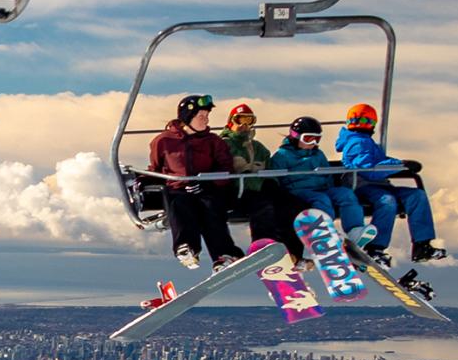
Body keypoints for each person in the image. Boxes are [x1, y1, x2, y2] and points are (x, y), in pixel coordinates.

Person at [336, 102, 446, 262]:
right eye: (357, 121)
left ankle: (422, 244)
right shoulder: (356, 142)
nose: (362, 125)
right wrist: (399, 165)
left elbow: (379, 163)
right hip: (362, 185)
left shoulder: (366, 142)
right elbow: (367, 170)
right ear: (350, 123)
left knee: (416, 195)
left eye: (367, 122)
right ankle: (376, 247)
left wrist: (402, 164)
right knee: (387, 201)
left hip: (380, 184)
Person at [147, 93, 244, 268]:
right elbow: (155, 168)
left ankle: (223, 255)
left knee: (211, 208)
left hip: (208, 187)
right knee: (178, 204)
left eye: (207, 116)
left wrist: (207, 182)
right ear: (188, 117)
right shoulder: (164, 141)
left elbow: (226, 168)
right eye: (202, 116)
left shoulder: (213, 142)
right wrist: (142, 180)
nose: (206, 120)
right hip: (178, 188)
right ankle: (186, 248)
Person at [264, 115, 371, 248]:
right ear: (295, 136)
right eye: (308, 139)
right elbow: (275, 177)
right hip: (299, 190)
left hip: (322, 187)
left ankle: (354, 230)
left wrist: (331, 188)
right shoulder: (282, 156)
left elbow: (327, 173)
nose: (313, 143)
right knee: (322, 199)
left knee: (345, 194)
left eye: (316, 139)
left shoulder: (318, 154)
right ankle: (324, 232)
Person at [221, 103, 302, 259]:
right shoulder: (224, 144)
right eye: (240, 120)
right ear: (231, 122)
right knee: (262, 206)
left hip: (259, 187)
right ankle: (262, 246)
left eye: (249, 121)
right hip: (237, 192)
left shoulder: (259, 148)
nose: (244, 125)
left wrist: (269, 182)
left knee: (290, 205)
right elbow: (230, 169)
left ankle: (293, 252)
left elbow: (269, 170)